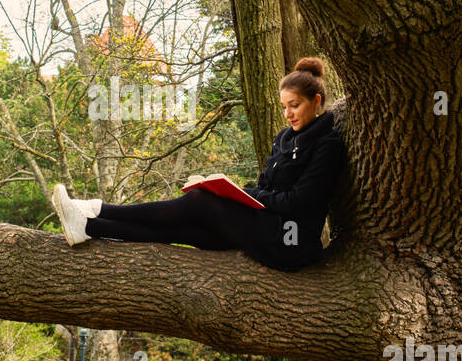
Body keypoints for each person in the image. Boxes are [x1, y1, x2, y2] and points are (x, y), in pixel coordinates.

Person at [51, 57, 346, 271]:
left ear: (316, 101)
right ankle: (88, 226)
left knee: (201, 200)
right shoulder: (284, 138)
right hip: (263, 226)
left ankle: (98, 208)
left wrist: (243, 196)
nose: (288, 114)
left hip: (290, 241)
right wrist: (236, 192)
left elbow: (298, 202)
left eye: (294, 106)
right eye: (284, 106)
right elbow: (264, 187)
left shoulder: (327, 145)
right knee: (185, 230)